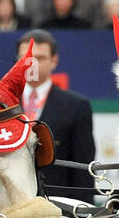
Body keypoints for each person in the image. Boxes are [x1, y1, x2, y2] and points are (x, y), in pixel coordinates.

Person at [17, 30, 94, 204]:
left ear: (54, 61)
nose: (32, 64)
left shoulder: (76, 106)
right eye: (26, 57)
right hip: (9, 208)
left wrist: (83, 214)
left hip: (58, 209)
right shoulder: (2, 104)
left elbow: (83, 169)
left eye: (40, 58)